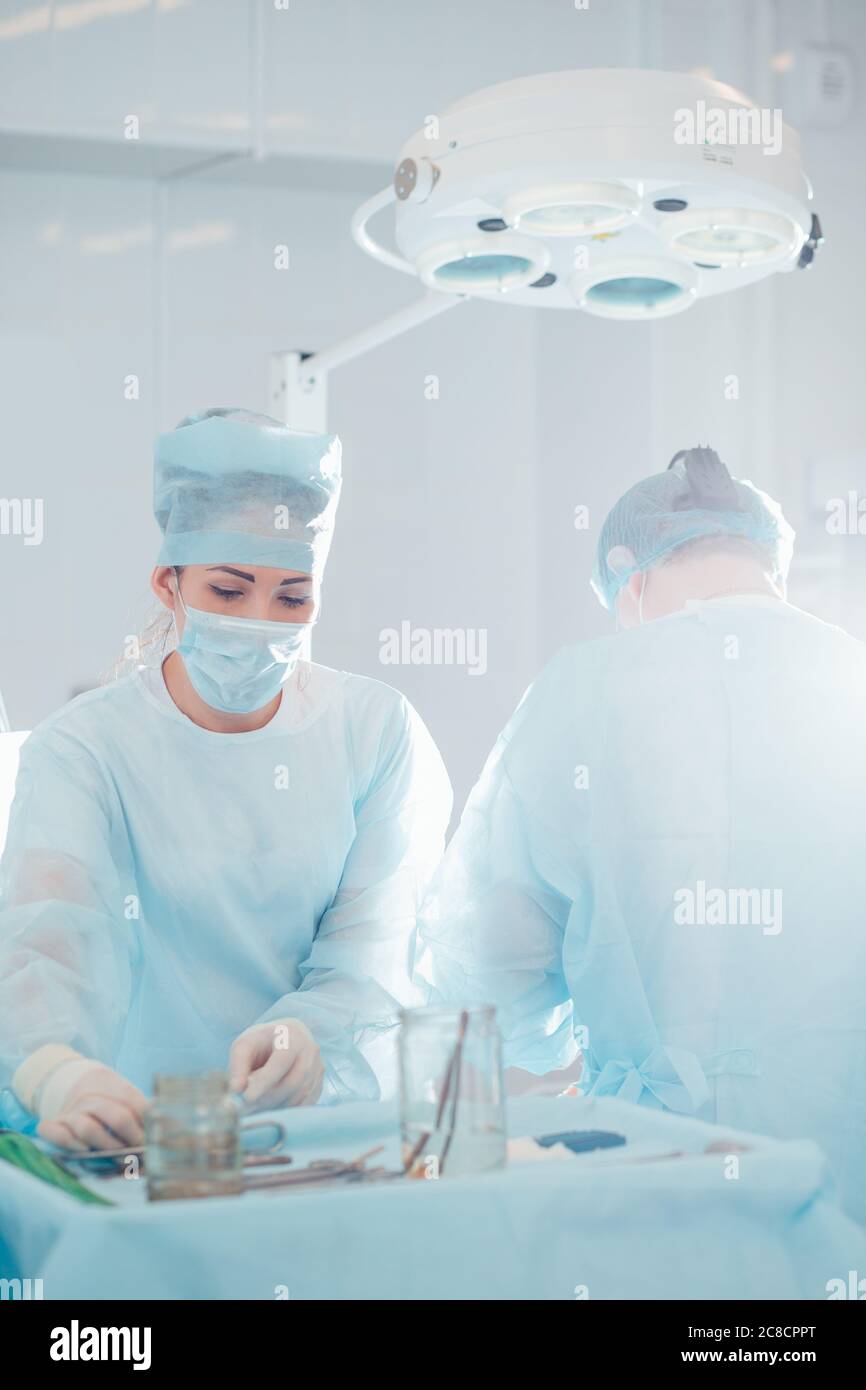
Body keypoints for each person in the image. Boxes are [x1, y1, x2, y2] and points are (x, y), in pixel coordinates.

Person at [417, 446, 866, 1220]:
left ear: (633, 579)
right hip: (843, 1162)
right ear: (767, 564)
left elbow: (491, 969)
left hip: (654, 1157)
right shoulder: (849, 676)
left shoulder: (585, 688)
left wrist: (561, 1047)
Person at [0, 409, 451, 1151]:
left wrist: (308, 1032)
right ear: (169, 584)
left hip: (324, 1142)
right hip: (139, 1137)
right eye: (229, 590)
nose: (260, 620)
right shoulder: (85, 749)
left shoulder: (375, 731)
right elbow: (44, 945)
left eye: (292, 597)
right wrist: (59, 1073)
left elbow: (379, 939)